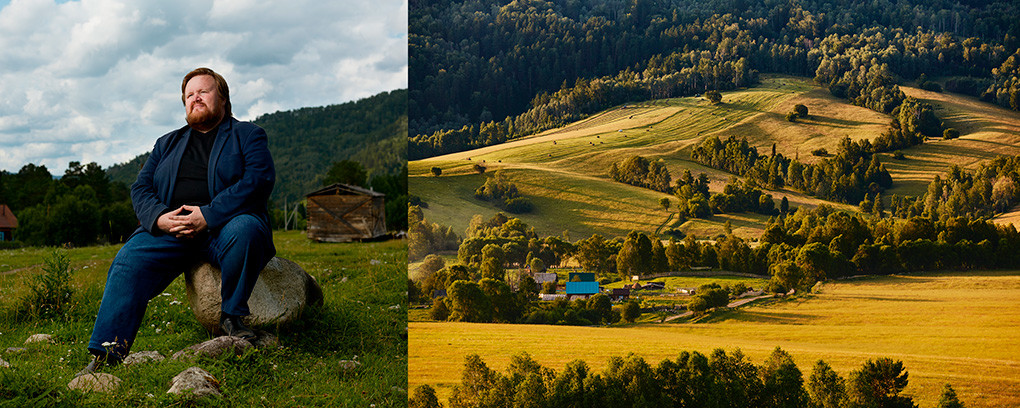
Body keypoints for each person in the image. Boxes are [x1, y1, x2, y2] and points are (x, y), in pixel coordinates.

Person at [77, 68, 276, 376]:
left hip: (224, 227)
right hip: (174, 230)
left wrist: (207, 214)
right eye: (189, 94)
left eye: (204, 92)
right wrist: (159, 218)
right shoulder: (166, 143)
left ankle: (233, 318)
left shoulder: (248, 135)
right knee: (129, 258)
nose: (195, 98)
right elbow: (140, 188)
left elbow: (258, 180)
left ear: (223, 99)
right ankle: (107, 353)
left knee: (246, 229)